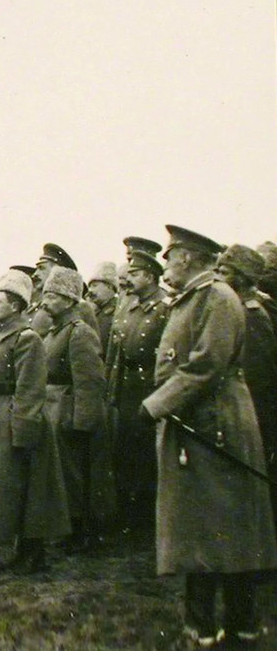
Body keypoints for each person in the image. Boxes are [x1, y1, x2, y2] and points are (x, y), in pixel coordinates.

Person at [141, 226, 277, 647]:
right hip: (196, 423)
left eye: (169, 255)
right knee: (202, 529)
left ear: (188, 257)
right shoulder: (197, 297)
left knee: (225, 529)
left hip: (214, 426)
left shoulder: (217, 297)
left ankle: (233, 623)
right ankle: (209, 623)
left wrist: (157, 403)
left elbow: (206, 364)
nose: (165, 263)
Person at [0, 271, 69, 573]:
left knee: (26, 489)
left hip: (16, 418)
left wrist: (23, 431)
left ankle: (33, 552)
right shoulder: (1, 335)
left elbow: (30, 388)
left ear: (17, 306)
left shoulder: (26, 339)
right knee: (8, 488)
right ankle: (21, 549)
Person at [40, 267, 113, 554]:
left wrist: (82, 421)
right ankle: (67, 527)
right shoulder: (53, 332)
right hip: (54, 406)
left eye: (53, 295)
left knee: (74, 474)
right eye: (45, 294)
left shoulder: (80, 333)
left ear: (70, 300)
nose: (46, 300)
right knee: (61, 472)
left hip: (68, 409)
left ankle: (80, 530)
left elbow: (90, 381)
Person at [105, 249, 168, 533]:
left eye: (134, 274)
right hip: (127, 385)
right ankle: (129, 514)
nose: (128, 279)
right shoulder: (129, 306)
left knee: (147, 454)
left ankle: (145, 517)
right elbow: (116, 351)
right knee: (127, 451)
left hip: (149, 385)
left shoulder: (164, 307)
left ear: (150, 277)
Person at [215, 244, 277, 525]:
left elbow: (258, 376)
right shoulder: (236, 308)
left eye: (225, 271)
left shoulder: (253, 315)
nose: (218, 275)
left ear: (241, 276)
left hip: (252, 410)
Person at [29, 244, 100, 341]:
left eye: (41, 268)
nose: (35, 274)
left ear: (58, 270)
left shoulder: (81, 308)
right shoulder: (38, 304)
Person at [85, 262, 119, 358]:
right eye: (90, 286)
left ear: (109, 286)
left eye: (95, 285)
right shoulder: (93, 311)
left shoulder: (118, 312)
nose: (90, 290)